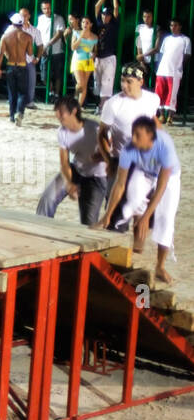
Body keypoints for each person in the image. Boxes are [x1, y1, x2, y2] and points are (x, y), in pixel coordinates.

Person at [98, 116, 180, 284]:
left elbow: (162, 187)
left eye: (138, 135)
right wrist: (108, 213)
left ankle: (160, 266)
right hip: (145, 172)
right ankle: (137, 247)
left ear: (150, 135)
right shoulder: (129, 149)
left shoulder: (165, 147)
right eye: (132, 134)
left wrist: (147, 216)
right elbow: (119, 184)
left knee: (166, 218)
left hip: (169, 178)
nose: (133, 139)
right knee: (131, 201)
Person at [36, 96, 110, 225]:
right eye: (56, 111)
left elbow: (111, 153)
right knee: (48, 197)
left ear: (74, 111)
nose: (58, 115)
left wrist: (99, 156)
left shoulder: (94, 128)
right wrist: (69, 183)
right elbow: (64, 162)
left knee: (88, 221)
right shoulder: (62, 132)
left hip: (96, 177)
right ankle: (41, 227)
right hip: (77, 169)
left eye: (61, 111)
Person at [0, 11, 35, 126]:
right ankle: (20, 112)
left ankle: (12, 116)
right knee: (23, 93)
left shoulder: (5, 37)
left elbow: (0, 53)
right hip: (22, 66)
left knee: (12, 93)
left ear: (12, 24)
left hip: (10, 66)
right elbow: (30, 53)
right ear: (22, 24)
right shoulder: (28, 37)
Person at [154, 18, 191, 125]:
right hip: (162, 70)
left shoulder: (185, 40)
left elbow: (187, 55)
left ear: (180, 26)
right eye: (171, 26)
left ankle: (170, 117)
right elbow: (162, 53)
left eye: (175, 25)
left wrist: (179, 66)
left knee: (172, 94)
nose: (173, 28)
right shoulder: (166, 39)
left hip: (174, 72)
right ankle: (161, 115)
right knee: (159, 92)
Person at [93, 0, 120, 110]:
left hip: (109, 57)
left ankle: (102, 106)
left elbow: (115, 9)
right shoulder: (98, 23)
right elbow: (97, 6)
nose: (105, 17)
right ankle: (101, 104)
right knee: (97, 82)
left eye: (107, 15)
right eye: (104, 14)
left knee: (107, 83)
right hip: (98, 57)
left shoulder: (113, 24)